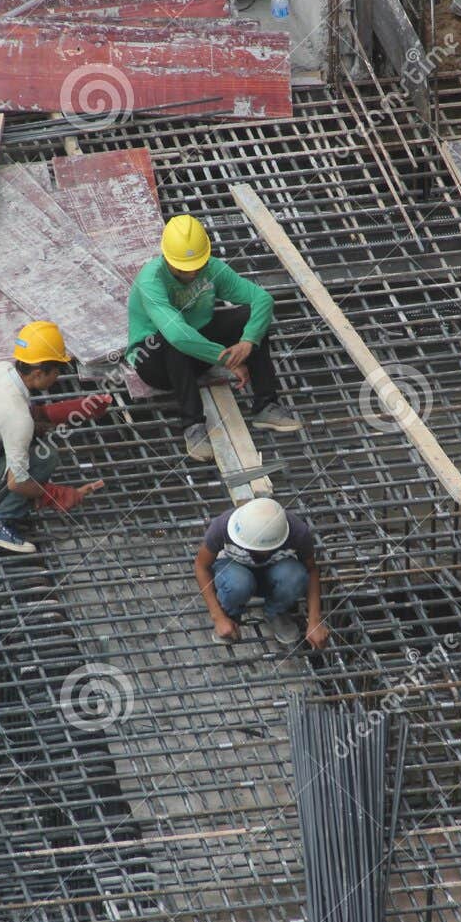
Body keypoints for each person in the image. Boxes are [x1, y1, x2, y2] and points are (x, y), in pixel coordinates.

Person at [127, 214, 302, 462]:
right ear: (167, 257)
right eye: (183, 268)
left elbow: (262, 300)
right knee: (170, 338)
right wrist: (226, 359)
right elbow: (178, 335)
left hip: (196, 352)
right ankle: (193, 426)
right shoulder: (151, 279)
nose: (192, 273)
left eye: (197, 266)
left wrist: (248, 342)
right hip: (153, 360)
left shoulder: (212, 269)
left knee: (251, 318)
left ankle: (265, 405)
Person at [0, 320, 108, 555]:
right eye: (56, 370)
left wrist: (76, 409)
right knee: (46, 458)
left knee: (28, 444)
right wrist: (57, 495)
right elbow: (17, 483)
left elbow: (20, 417)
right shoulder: (17, 418)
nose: (58, 376)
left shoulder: (0, 371)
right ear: (38, 373)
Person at [194, 498, 328, 649]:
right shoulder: (222, 527)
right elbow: (201, 566)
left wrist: (315, 620)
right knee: (238, 583)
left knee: (296, 576)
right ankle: (230, 614)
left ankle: (276, 612)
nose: (260, 553)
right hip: (234, 573)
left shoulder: (298, 532)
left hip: (273, 573)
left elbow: (311, 569)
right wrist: (217, 617)